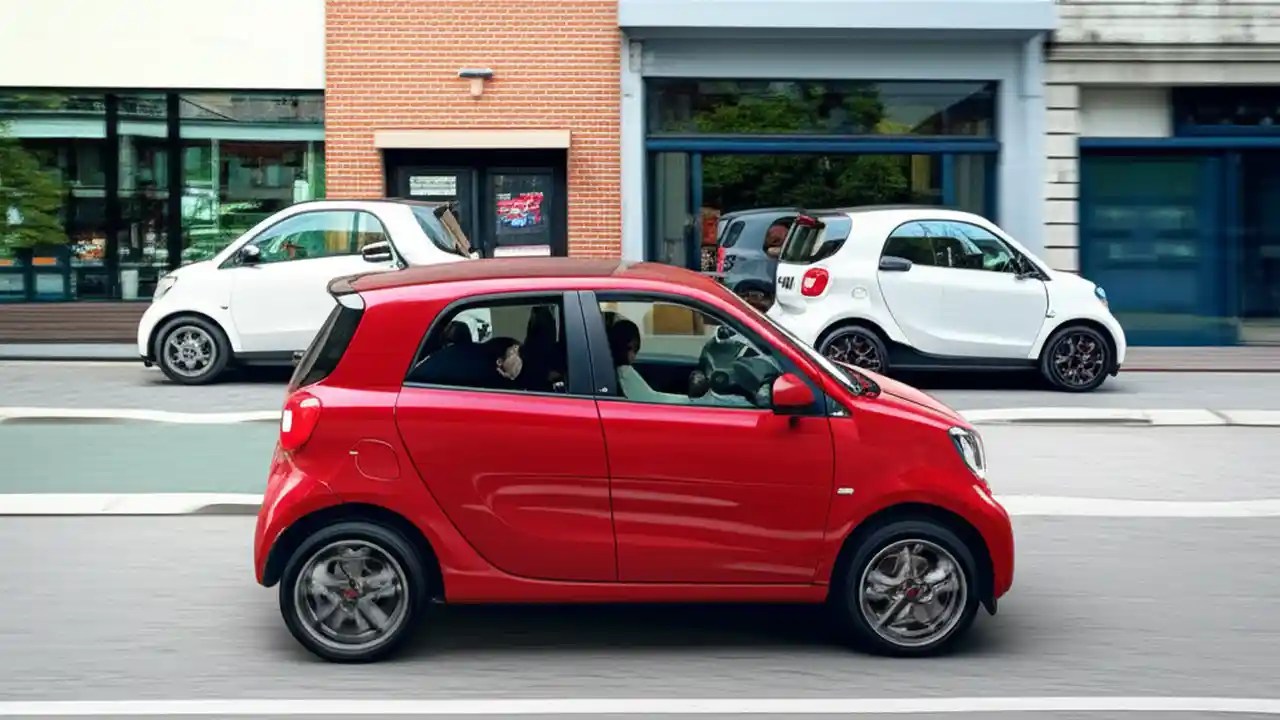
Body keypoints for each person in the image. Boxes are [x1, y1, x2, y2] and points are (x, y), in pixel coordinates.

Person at [607, 319, 752, 407]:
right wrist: (698, 402)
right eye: (635, 349)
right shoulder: (625, 376)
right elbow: (654, 402)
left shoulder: (619, 374)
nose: (636, 356)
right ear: (630, 346)